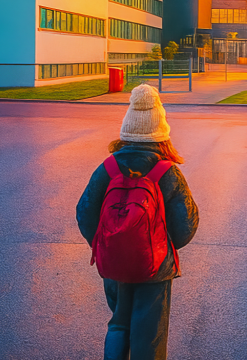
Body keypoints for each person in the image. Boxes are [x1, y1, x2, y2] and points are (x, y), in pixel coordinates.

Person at [76, 84, 199, 360]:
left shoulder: (107, 168)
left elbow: (84, 213)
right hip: (154, 270)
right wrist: (156, 245)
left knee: (119, 324)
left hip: (115, 267)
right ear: (161, 132)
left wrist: (110, 241)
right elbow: (186, 224)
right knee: (149, 335)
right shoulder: (166, 172)